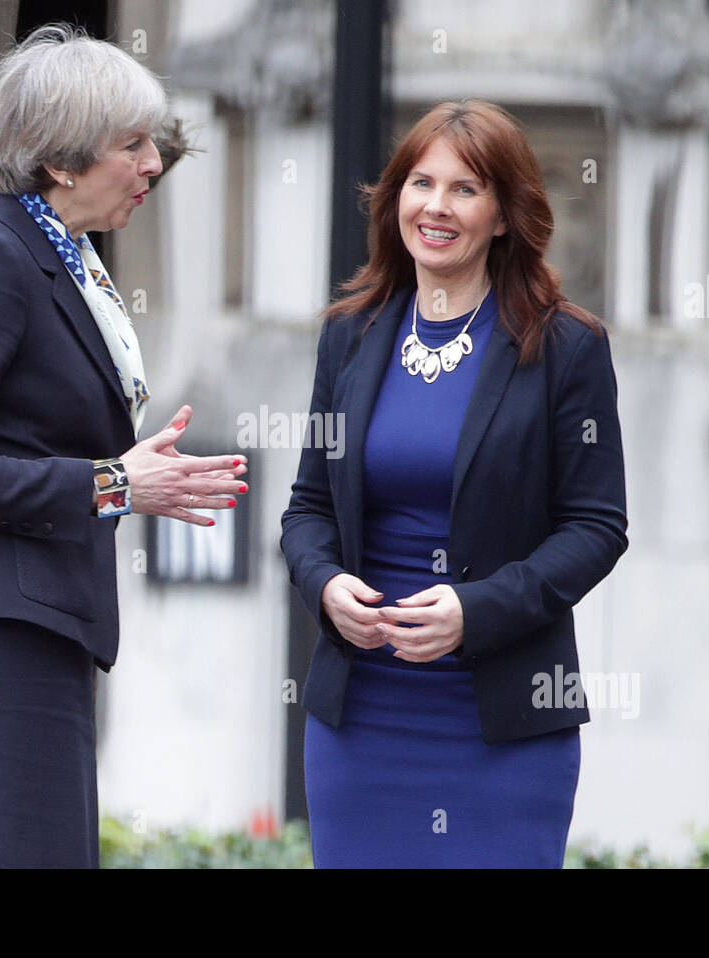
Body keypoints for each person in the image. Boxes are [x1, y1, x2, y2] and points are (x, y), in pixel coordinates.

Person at [0, 24, 248, 868]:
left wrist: (120, 476)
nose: (154, 163)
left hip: (36, 619)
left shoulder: (64, 260)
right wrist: (112, 483)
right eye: (132, 145)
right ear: (58, 162)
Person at [280, 99, 628, 867]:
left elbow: (599, 527)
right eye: (420, 183)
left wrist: (476, 611)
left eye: (466, 189)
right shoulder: (350, 334)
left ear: (505, 215)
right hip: (361, 719)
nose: (436, 207)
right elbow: (307, 509)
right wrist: (325, 584)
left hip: (501, 726)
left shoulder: (566, 346)